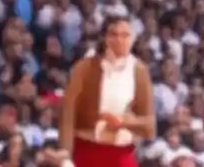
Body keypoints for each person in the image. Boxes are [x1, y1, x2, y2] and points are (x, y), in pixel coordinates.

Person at [61, 16, 154, 167]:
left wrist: (124, 123)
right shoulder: (84, 68)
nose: (119, 40)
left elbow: (149, 126)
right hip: (87, 151)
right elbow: (68, 114)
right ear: (104, 38)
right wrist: (65, 156)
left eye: (125, 35)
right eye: (114, 34)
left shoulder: (139, 71)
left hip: (121, 154)